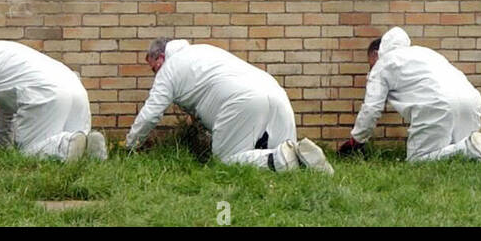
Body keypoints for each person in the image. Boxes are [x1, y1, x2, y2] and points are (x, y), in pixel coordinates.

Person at [125, 37, 333, 174]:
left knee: (226, 161)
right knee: (292, 156)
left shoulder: (169, 69)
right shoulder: (202, 51)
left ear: (161, 57)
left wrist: (130, 145)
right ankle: (315, 166)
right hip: (275, 91)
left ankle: (278, 159)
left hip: (242, 100)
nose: (155, 74)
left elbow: (150, 114)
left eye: (154, 68)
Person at [337, 27, 481, 167]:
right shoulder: (425, 52)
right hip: (470, 100)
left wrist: (356, 140)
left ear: (378, 54)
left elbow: (371, 109)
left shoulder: (383, 63)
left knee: (418, 161)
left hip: (437, 105)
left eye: (370, 64)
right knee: (466, 159)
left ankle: (469, 148)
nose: (371, 69)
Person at [0, 30, 106, 162]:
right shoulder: (0, 50)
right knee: (79, 139)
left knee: (30, 153)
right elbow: (7, 108)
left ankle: (64, 145)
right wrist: (3, 148)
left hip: (47, 93)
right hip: (75, 87)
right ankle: (91, 143)